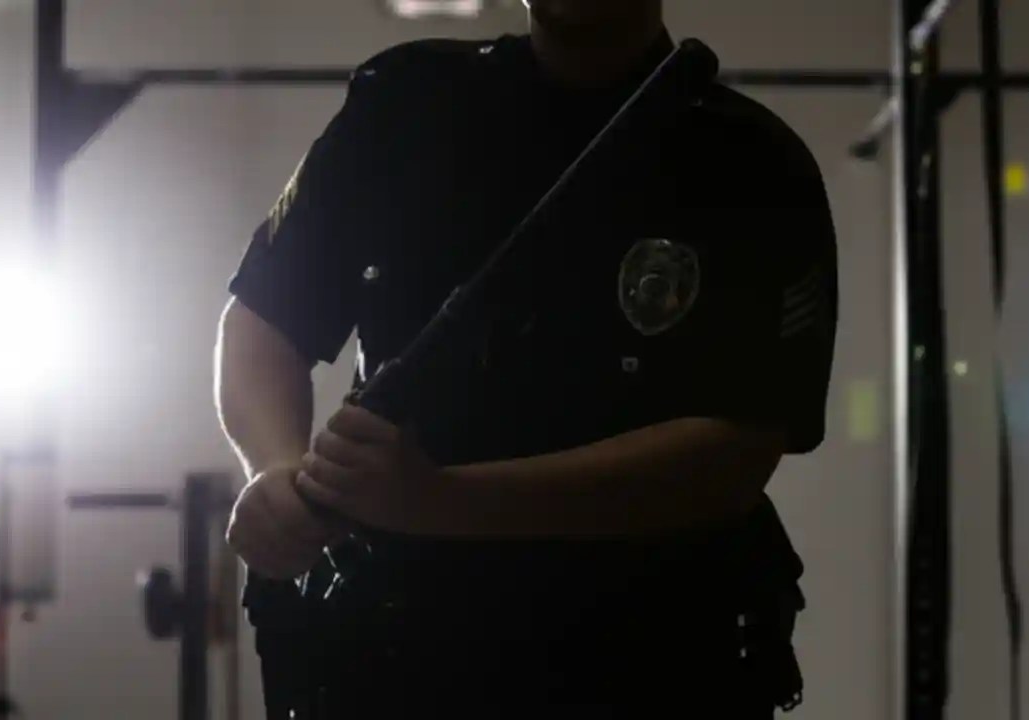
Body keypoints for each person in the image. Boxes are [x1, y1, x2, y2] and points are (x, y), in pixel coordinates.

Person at [215, 0, 838, 717]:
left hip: (648, 665)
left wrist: (438, 501)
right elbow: (266, 314)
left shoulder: (751, 163)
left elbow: (732, 452)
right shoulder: (403, 104)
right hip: (400, 659)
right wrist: (274, 470)